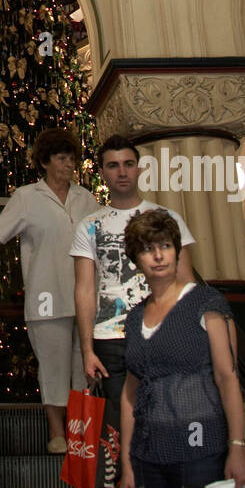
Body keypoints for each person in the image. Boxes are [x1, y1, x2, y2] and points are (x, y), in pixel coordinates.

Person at [0, 128, 98, 452]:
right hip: (46, 298)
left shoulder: (86, 198)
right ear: (45, 162)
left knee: (85, 369)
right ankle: (57, 432)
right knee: (53, 368)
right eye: (62, 158)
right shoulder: (27, 197)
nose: (69, 165)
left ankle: (83, 435)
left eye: (72, 158)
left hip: (86, 298)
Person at [118, 209, 245, 488]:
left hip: (201, 453)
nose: (158, 256)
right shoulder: (134, 317)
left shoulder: (206, 303)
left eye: (165, 246)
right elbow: (130, 394)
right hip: (147, 457)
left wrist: (237, 448)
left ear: (177, 250)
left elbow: (228, 378)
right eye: (148, 249)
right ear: (136, 260)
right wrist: (127, 462)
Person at [71, 134, 196, 409]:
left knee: (166, 413)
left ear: (139, 169)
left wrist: (188, 335)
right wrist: (87, 350)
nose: (122, 171)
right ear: (102, 172)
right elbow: (84, 290)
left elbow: (186, 282)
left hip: (162, 331)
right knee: (121, 421)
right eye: (113, 165)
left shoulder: (168, 218)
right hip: (110, 338)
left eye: (128, 164)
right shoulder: (89, 225)